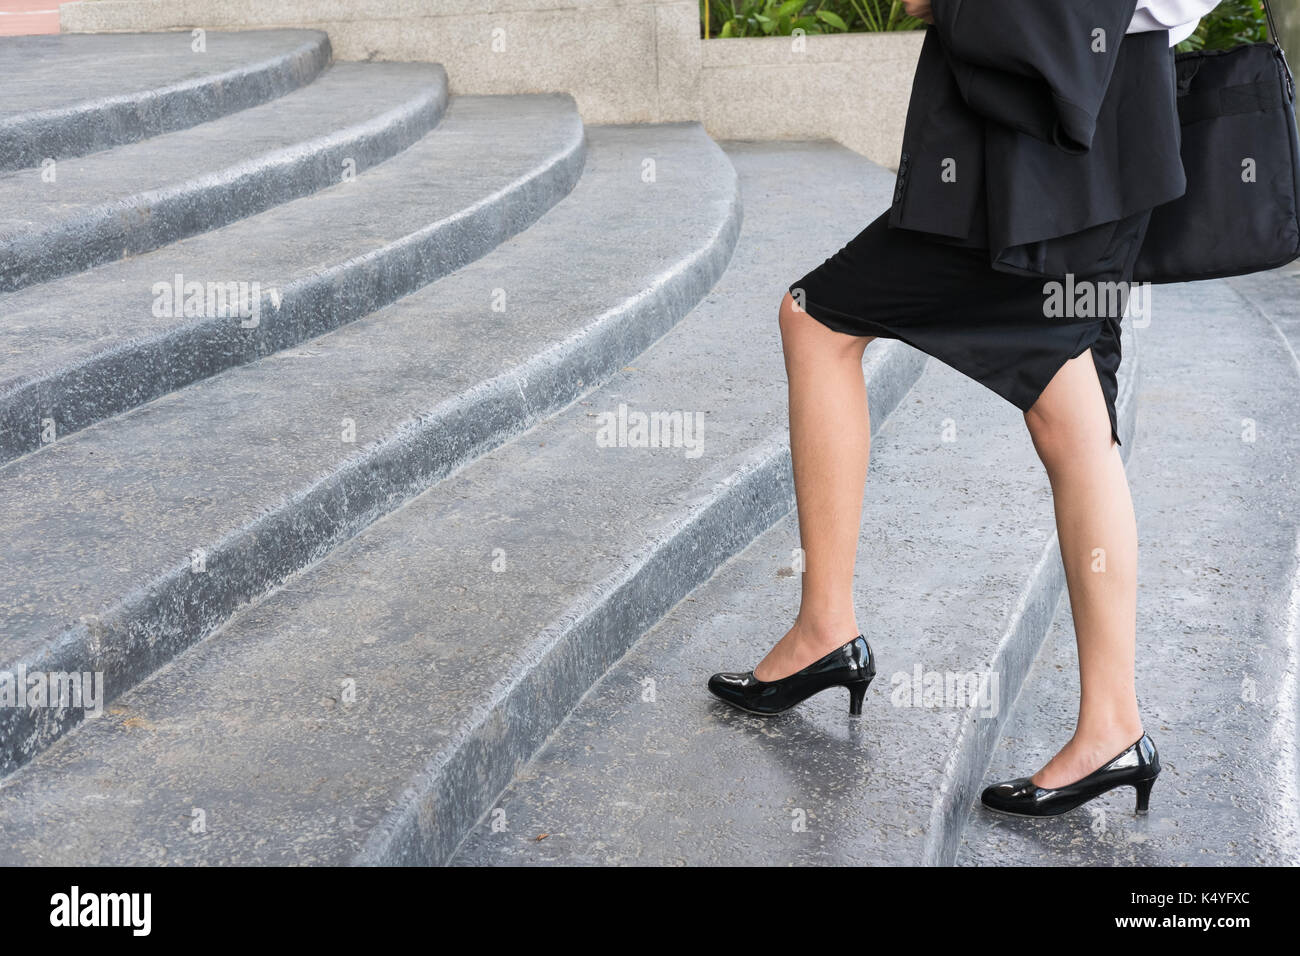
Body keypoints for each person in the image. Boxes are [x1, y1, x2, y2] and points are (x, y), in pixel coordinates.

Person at [707, 0, 1225, 818]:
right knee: (1072, 413)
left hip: (1060, 151)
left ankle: (828, 632)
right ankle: (1110, 725)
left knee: (819, 320)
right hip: (1076, 141)